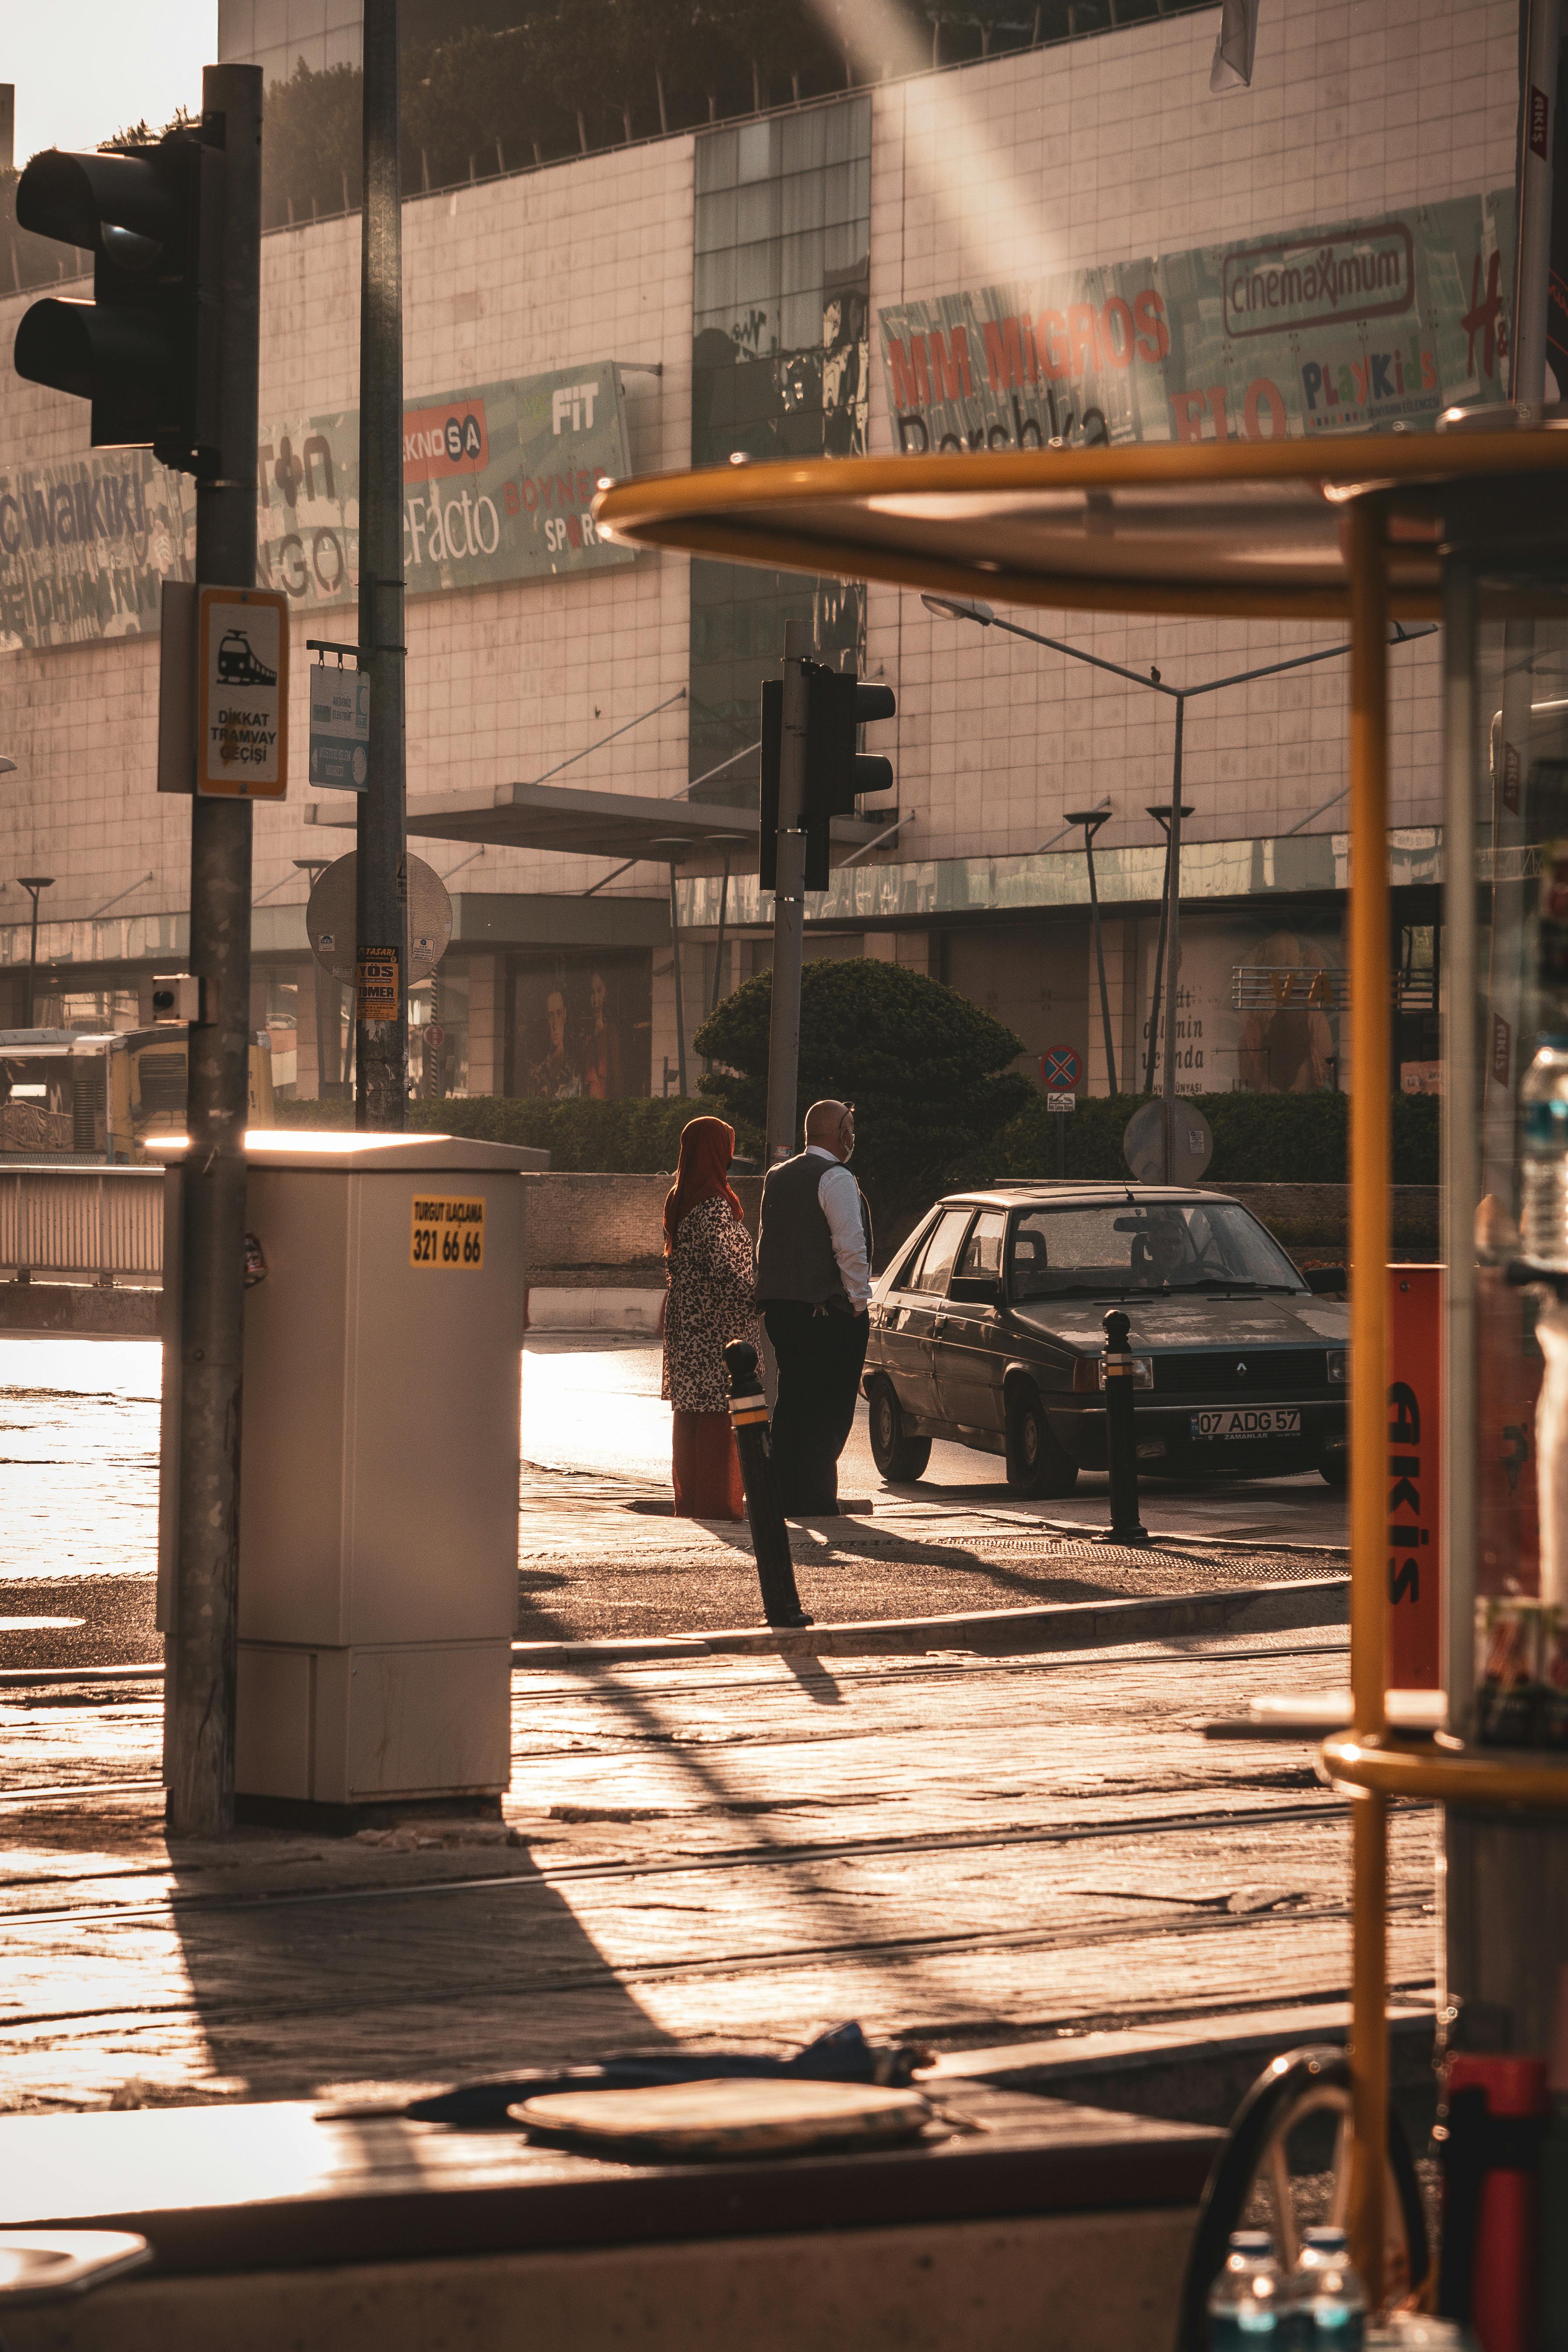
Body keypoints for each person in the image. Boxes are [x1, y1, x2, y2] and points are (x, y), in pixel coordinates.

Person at [755, 1099, 873, 1515]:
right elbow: (850, 1247)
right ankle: (817, 1497)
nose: (854, 1136)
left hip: (783, 1310)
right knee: (831, 1407)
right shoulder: (836, 1177)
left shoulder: (778, 1175)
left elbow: (767, 1240)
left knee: (795, 1399)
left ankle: (784, 1492)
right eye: (852, 1128)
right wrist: (858, 1303)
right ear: (841, 1133)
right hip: (827, 1311)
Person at [661, 1115, 759, 1520]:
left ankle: (692, 1504)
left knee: (691, 1421)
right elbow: (732, 1275)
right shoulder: (716, 1207)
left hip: (686, 1329)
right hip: (718, 1335)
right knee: (721, 1423)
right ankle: (719, 1507)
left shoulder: (678, 1198)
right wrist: (761, 1293)